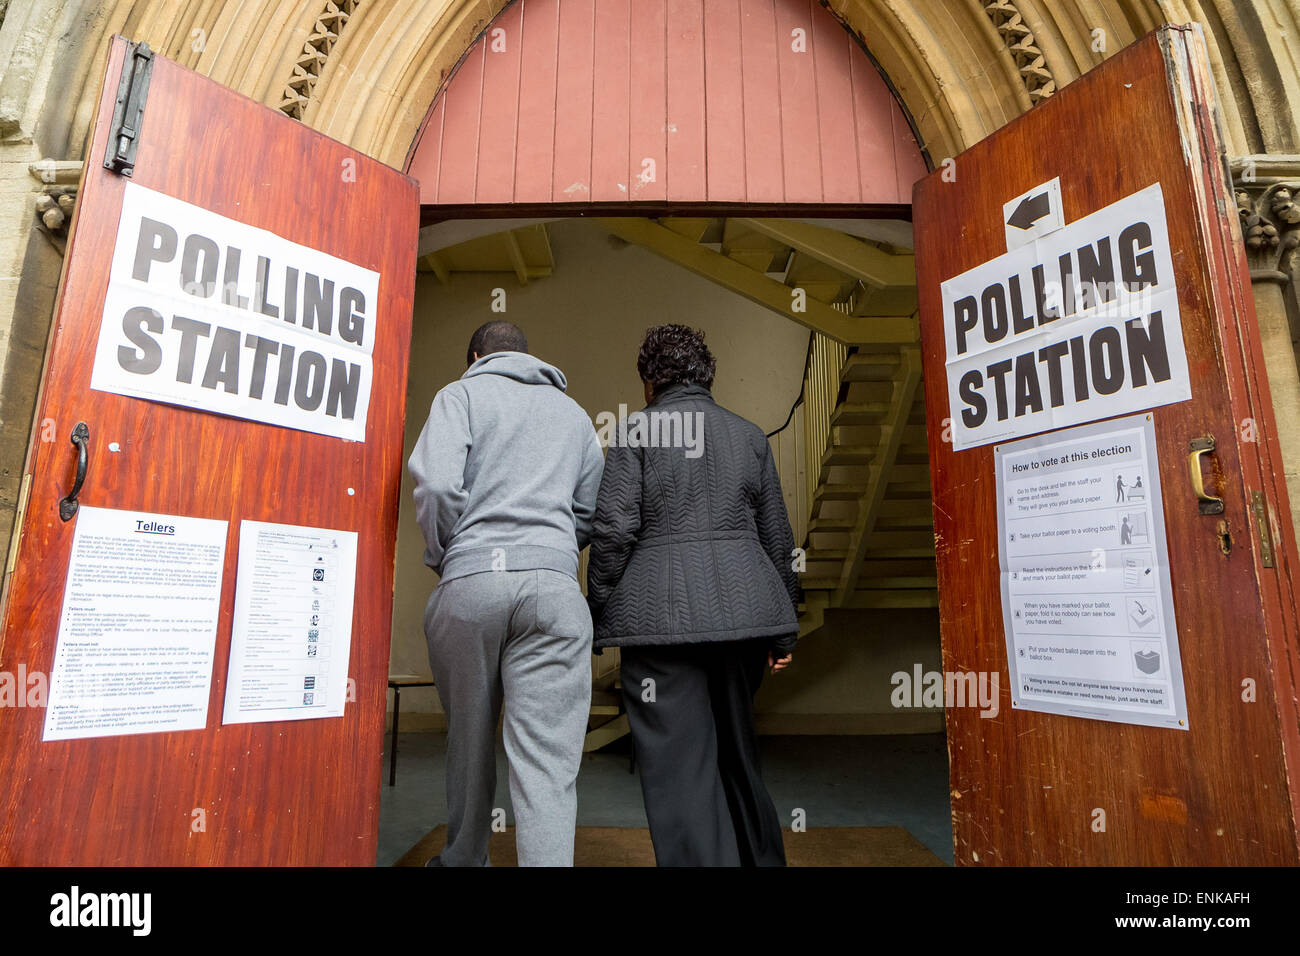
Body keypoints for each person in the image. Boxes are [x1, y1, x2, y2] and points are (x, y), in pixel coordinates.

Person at [586, 324, 799, 867]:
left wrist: (599, 605)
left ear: (650, 382)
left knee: (681, 771)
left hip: (660, 627)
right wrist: (783, 630)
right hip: (746, 621)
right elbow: (777, 534)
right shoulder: (749, 435)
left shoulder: (635, 433)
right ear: (707, 377)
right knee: (737, 755)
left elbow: (612, 530)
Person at [408, 320, 604, 867]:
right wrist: (553, 555)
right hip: (555, 590)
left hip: (471, 582)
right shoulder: (575, 415)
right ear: (528, 355)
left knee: (468, 745)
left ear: (475, 356)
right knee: (547, 762)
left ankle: (463, 861)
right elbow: (589, 511)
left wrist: (445, 554)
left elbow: (439, 486)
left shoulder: (460, 393)